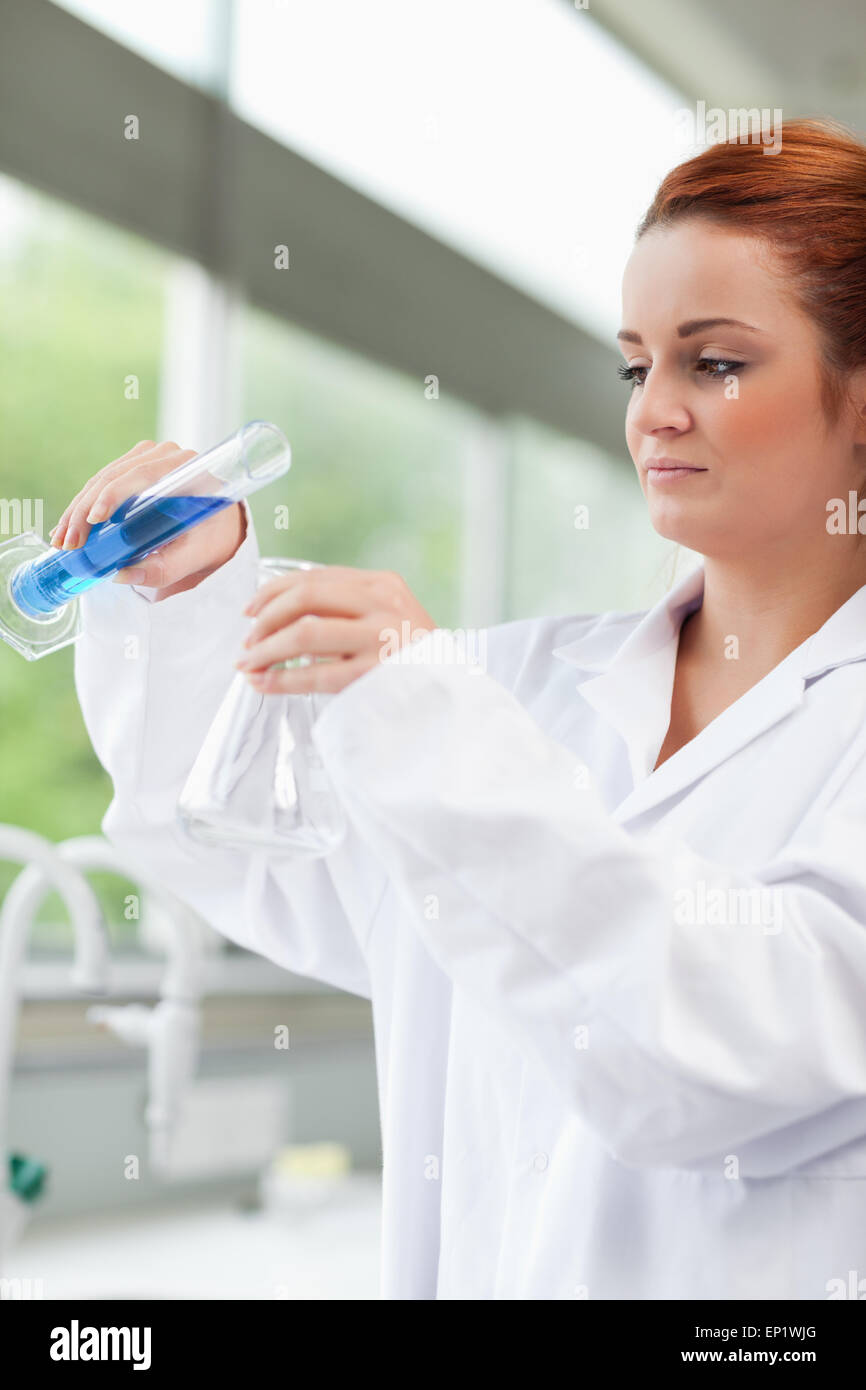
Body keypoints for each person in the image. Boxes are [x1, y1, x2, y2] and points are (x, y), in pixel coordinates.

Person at [66, 117, 866, 1300]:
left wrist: (423, 712)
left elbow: (709, 1055)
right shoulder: (514, 685)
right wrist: (194, 594)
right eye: (635, 363)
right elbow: (245, 842)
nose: (652, 410)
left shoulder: (461, 708)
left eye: (716, 361)